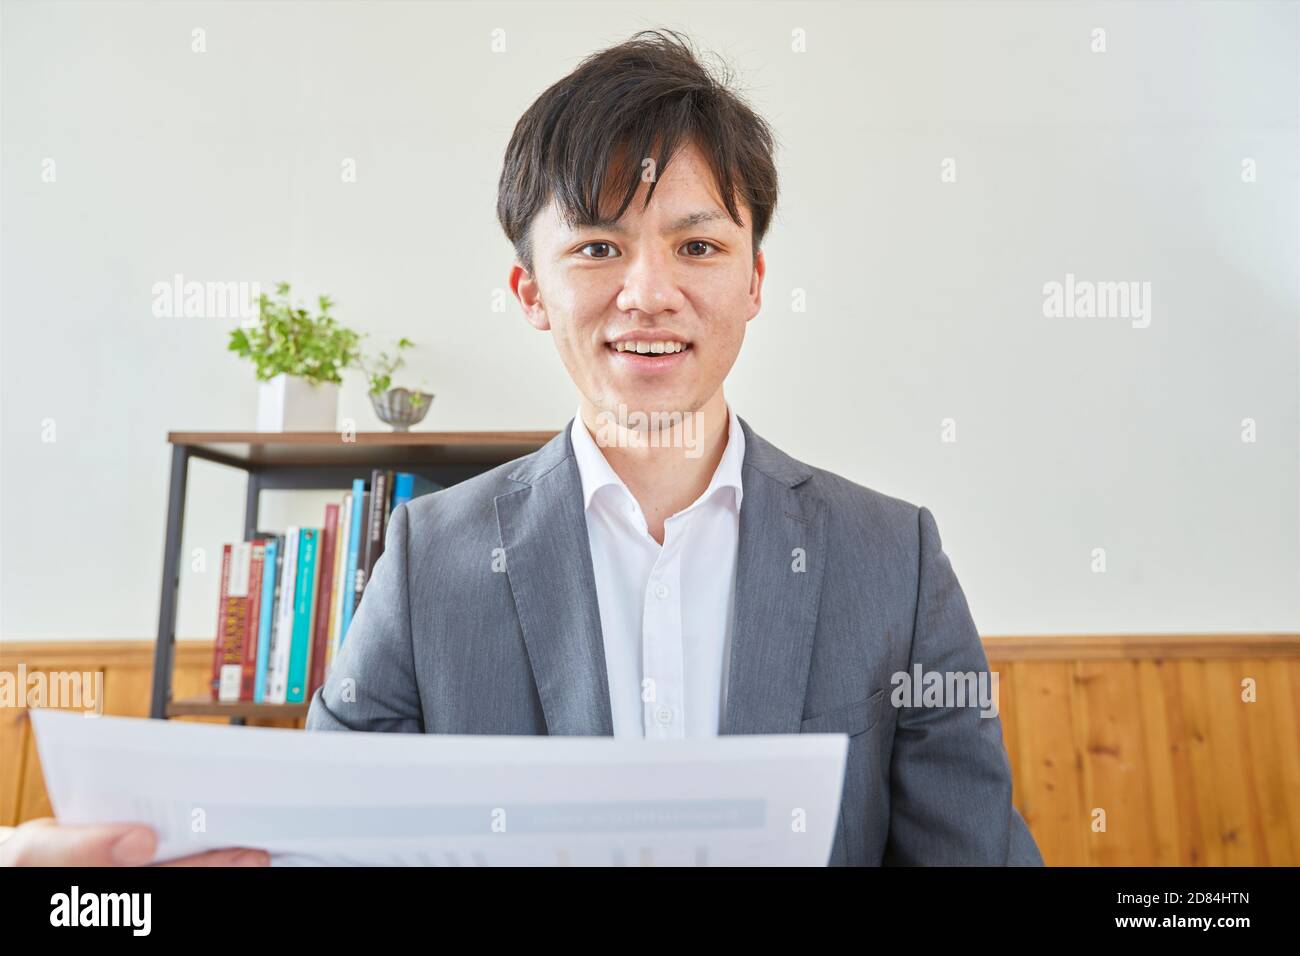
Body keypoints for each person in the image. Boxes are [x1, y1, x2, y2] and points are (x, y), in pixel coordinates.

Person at [3, 28, 1042, 867]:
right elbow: (325, 847)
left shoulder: (891, 560)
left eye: (697, 244)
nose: (648, 291)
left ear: (754, 280)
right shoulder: (425, 559)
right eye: (596, 245)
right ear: (530, 292)